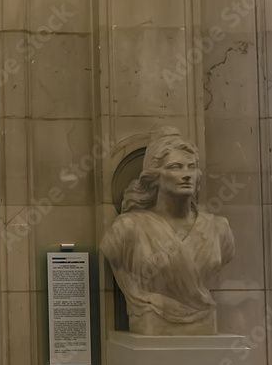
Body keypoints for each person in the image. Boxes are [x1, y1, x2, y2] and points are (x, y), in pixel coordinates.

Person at [100, 128, 234, 335]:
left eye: (191, 167)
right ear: (154, 176)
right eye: (175, 167)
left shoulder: (219, 229)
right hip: (151, 316)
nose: (186, 175)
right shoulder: (128, 229)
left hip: (204, 319)